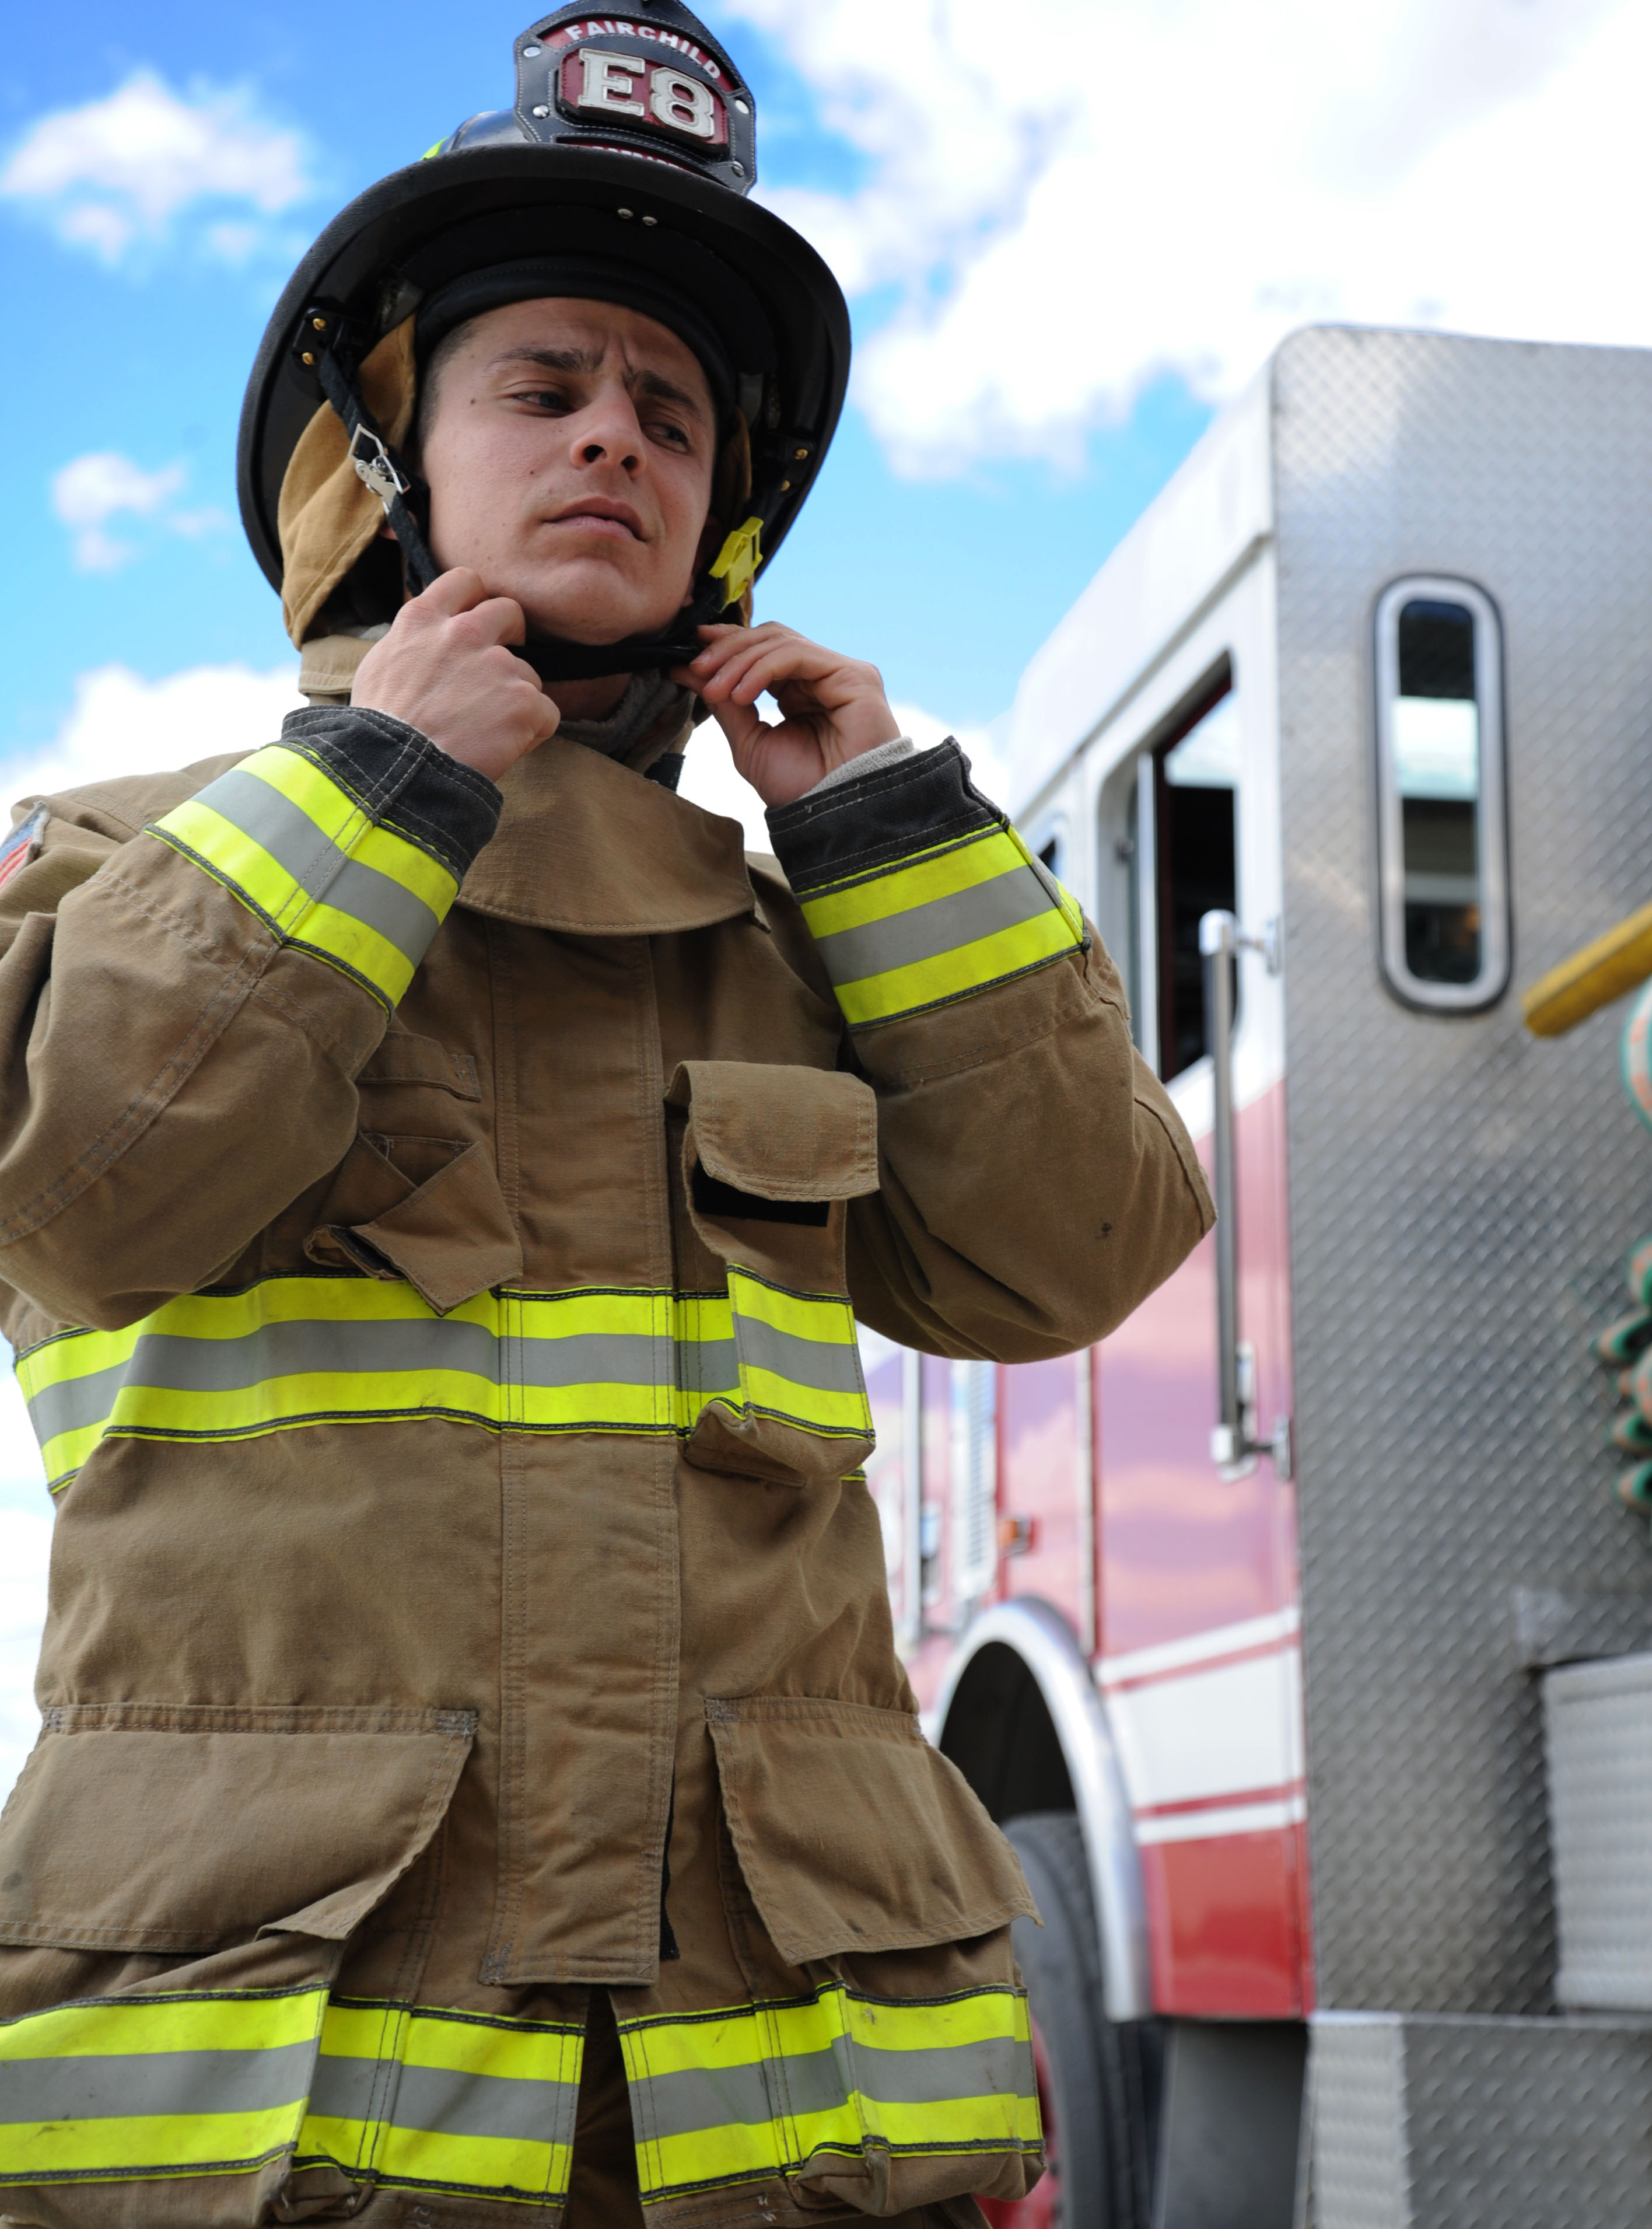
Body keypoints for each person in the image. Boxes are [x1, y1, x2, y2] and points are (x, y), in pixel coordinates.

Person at [0, 9, 1213, 2227]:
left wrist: (898, 838)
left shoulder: (818, 929)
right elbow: (87, 1194)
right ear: (375, 465)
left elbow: (1073, 1258)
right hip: (260, 2124)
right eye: (538, 390)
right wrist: (384, 787)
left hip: (768, 2122)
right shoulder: (124, 861)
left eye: (670, 413)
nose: (616, 443)